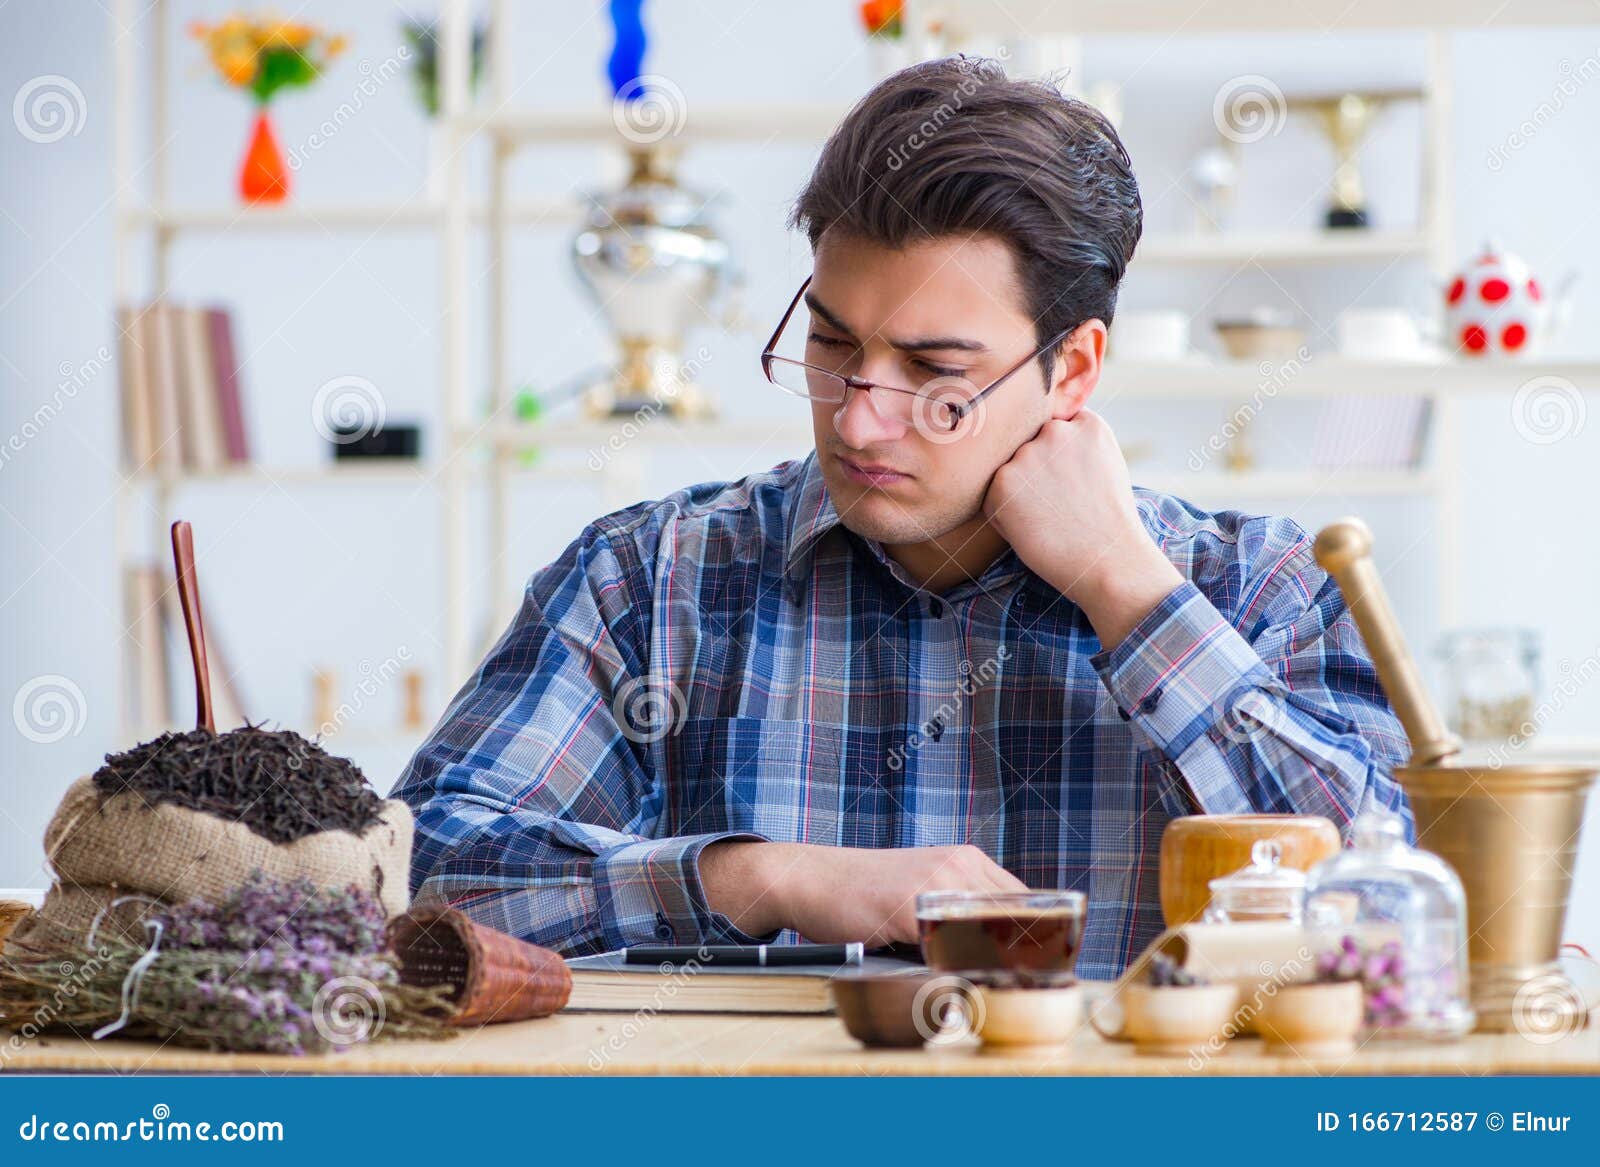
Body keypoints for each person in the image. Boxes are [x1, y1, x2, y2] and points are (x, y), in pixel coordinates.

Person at [395, 57, 1409, 980]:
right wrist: (760, 878)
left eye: (934, 371)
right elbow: (416, 879)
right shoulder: (650, 579)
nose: (858, 419)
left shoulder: (1259, 591)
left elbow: (1397, 916)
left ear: (1073, 369)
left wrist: (1128, 590)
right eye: (834, 344)